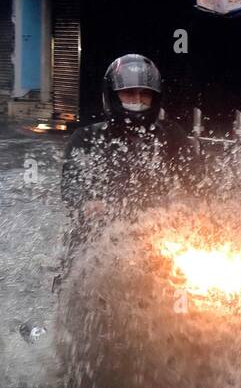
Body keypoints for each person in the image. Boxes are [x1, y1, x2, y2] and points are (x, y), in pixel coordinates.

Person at [57, 54, 191, 284]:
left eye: (144, 94)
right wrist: (87, 203)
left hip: (159, 234)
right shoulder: (86, 138)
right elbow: (71, 184)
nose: (137, 100)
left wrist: (189, 207)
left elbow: (196, 178)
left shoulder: (172, 136)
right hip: (99, 234)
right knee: (77, 274)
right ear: (113, 96)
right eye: (129, 93)